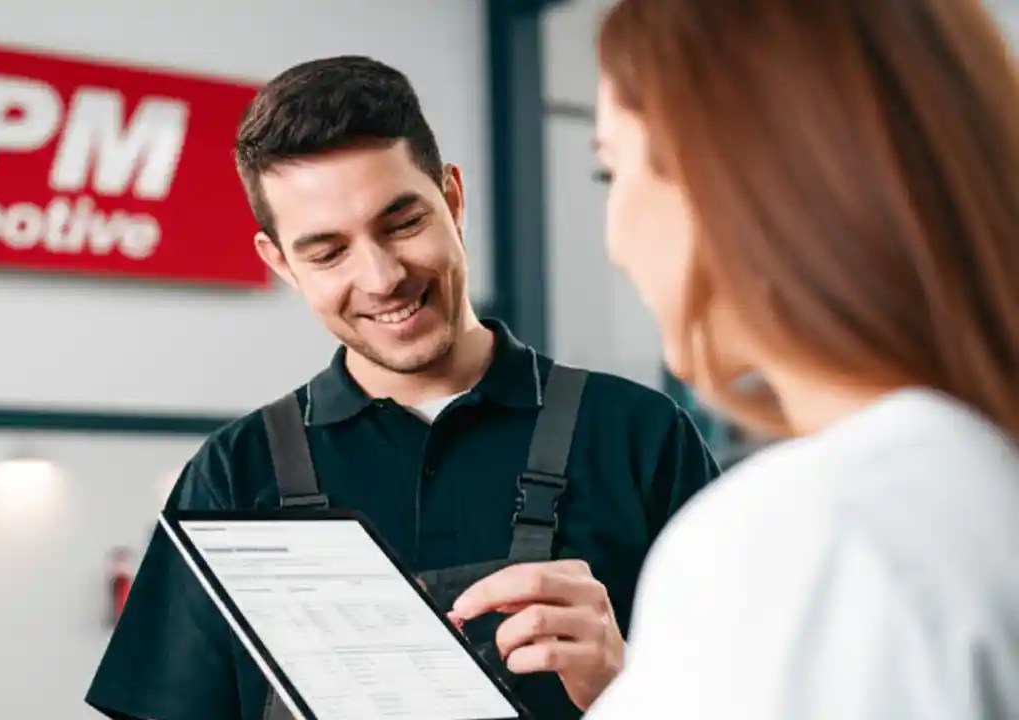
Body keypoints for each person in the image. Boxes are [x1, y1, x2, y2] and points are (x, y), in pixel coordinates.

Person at [85, 55, 720, 720]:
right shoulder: (233, 476)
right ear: (279, 263)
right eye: (329, 252)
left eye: (403, 223)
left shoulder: (642, 439)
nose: (383, 276)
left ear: (453, 197)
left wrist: (628, 688)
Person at [567, 1, 1019, 718]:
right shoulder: (967, 480)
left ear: (733, 180)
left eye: (610, 170)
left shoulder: (811, 539)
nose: (614, 239)